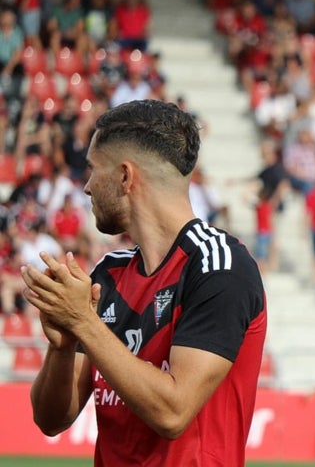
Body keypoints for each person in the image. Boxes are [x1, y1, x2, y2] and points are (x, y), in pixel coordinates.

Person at [21, 99, 268, 466]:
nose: (87, 187)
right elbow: (51, 420)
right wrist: (62, 346)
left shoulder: (220, 266)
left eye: (93, 169)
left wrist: (84, 323)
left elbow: (172, 413)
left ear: (125, 176)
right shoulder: (109, 274)